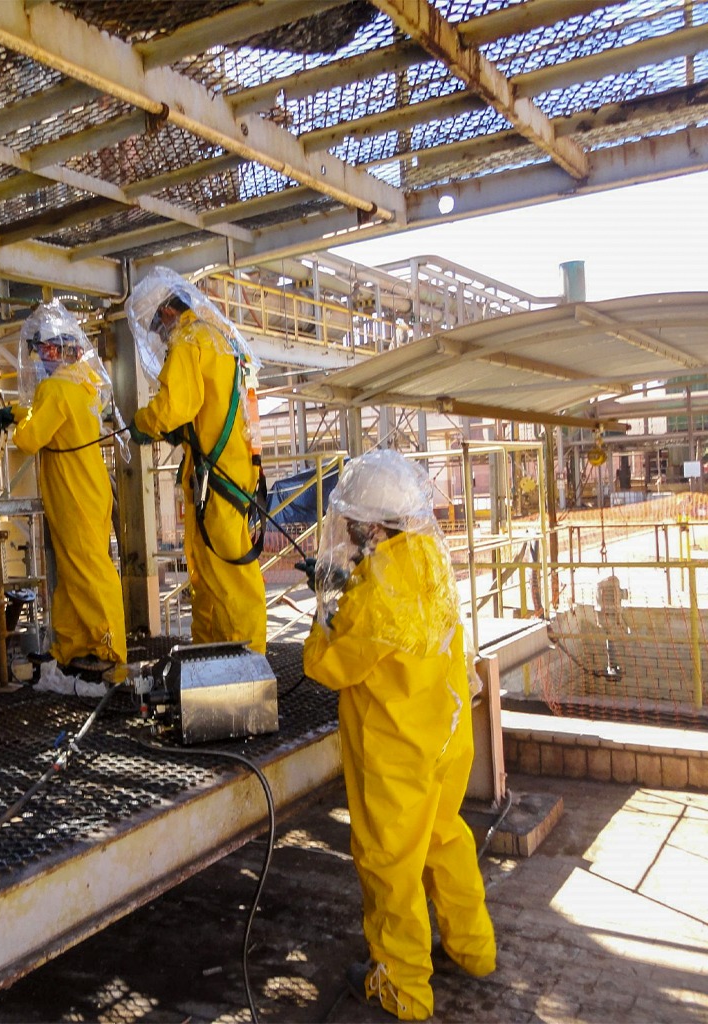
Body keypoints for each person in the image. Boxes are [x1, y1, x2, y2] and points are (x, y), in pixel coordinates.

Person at [301, 449, 496, 1021]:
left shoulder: (369, 596)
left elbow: (326, 666)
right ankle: (474, 949)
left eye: (359, 527)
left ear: (373, 525)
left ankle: (404, 989)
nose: (354, 536)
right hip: (443, 741)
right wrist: (351, 584)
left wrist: (325, 614)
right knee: (446, 842)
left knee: (391, 866)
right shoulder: (428, 558)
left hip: (395, 755)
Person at [124, 268, 267, 654]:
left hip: (218, 479)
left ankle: (249, 664)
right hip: (229, 473)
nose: (159, 335)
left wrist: (143, 424)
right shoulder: (217, 334)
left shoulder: (189, 340)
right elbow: (210, 406)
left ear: (168, 313)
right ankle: (213, 658)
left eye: (157, 326)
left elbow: (173, 407)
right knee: (207, 576)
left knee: (229, 579)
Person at [8, 300, 127, 676]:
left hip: (74, 492)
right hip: (85, 487)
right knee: (74, 572)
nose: (40, 358)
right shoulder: (83, 384)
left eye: (43, 350)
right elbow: (52, 422)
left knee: (89, 571)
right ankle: (72, 645)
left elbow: (29, 439)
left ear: (55, 349)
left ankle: (109, 649)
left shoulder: (56, 389)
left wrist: (13, 421)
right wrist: (16, 412)